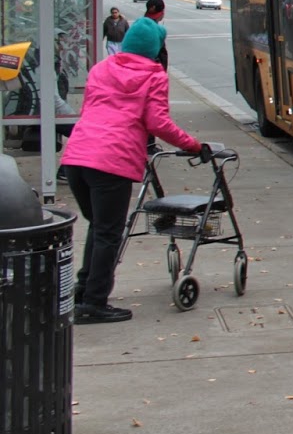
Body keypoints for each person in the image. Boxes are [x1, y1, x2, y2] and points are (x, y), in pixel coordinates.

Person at [61, 17, 204, 324]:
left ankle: (84, 290)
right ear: (154, 48)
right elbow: (157, 123)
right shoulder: (154, 75)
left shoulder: (100, 68)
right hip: (111, 161)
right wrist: (193, 145)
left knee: (98, 227)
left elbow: (89, 110)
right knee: (109, 233)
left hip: (77, 158)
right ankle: (94, 303)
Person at [143, 0, 169, 70]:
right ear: (162, 13)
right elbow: (161, 55)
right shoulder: (157, 31)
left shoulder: (139, 25)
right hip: (152, 69)